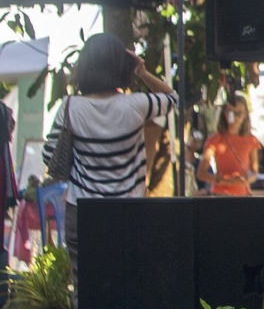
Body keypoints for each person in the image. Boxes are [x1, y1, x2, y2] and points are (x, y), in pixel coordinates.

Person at [43, 33, 177, 280]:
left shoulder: (70, 107)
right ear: (121, 66)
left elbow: (49, 155)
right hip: (129, 213)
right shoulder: (137, 105)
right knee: (127, 286)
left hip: (82, 211)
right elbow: (171, 98)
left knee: (85, 291)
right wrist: (142, 72)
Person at [196, 92, 264, 196]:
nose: (235, 117)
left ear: (245, 114)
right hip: (220, 195)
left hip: (243, 195)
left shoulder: (251, 140)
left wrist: (246, 179)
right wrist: (225, 181)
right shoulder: (215, 139)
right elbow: (201, 173)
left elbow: (254, 172)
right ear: (224, 112)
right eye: (231, 112)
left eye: (239, 113)